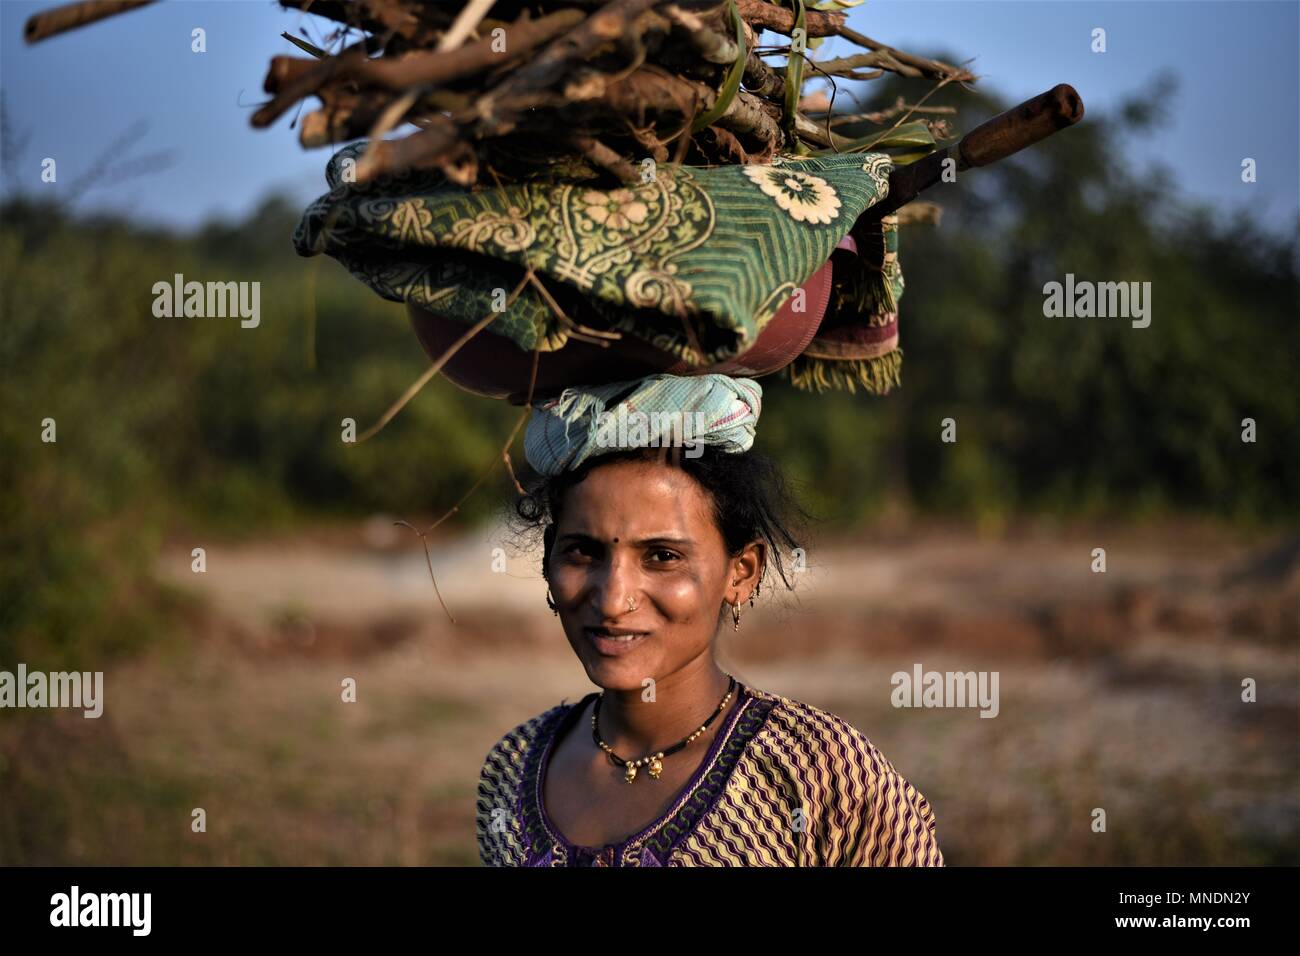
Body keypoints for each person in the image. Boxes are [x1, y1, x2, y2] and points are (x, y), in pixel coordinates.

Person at [475, 373, 944, 867]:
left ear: (741, 573)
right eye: (583, 552)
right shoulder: (513, 770)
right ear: (550, 561)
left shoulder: (821, 772)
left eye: (661, 556)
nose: (614, 601)